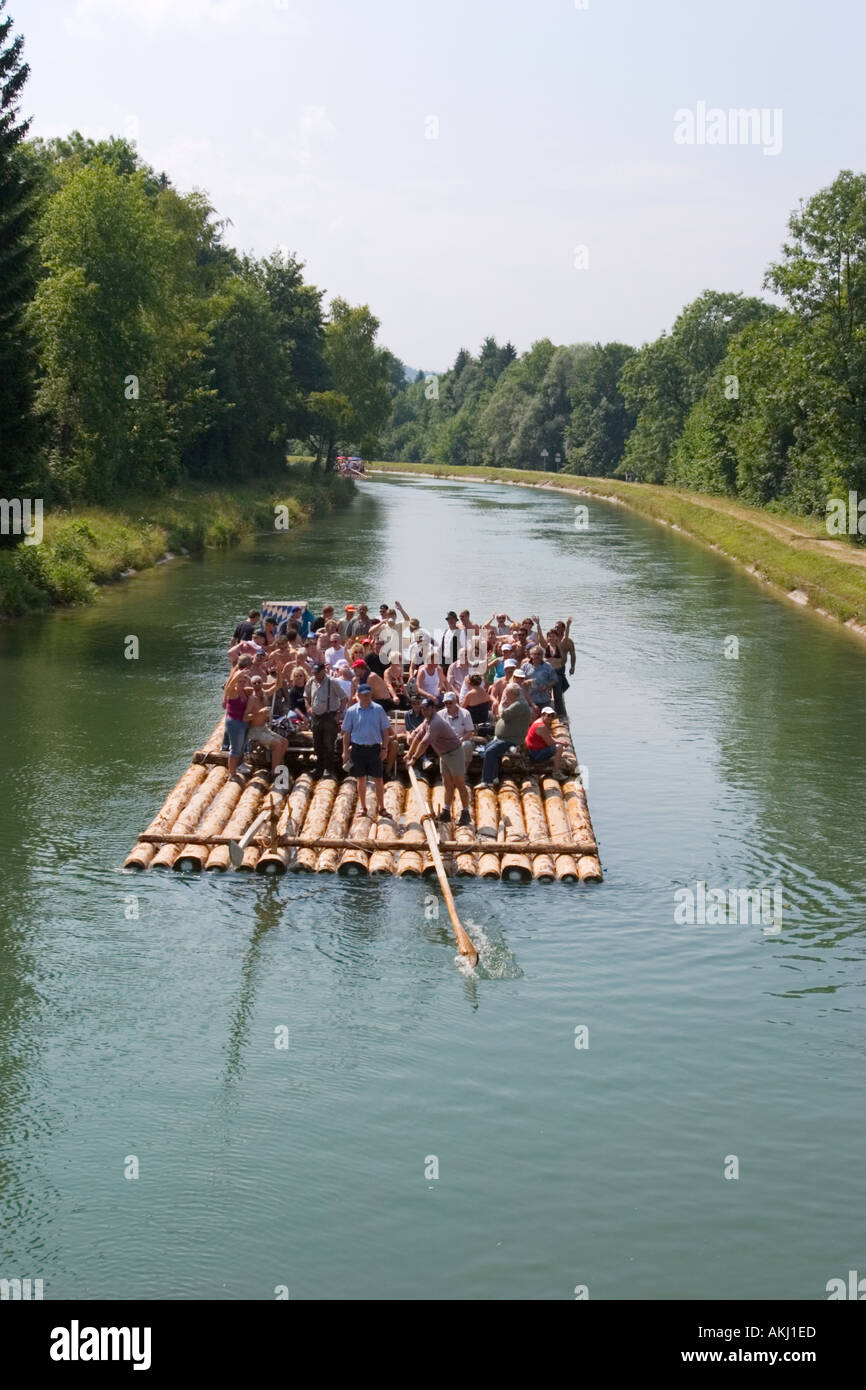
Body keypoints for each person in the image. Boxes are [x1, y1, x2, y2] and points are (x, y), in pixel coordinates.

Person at [406, 699, 472, 826]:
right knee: (447, 784)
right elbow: (418, 737)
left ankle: (465, 813)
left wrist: (414, 758)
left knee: (459, 784)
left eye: (426, 708)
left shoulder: (436, 722)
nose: (424, 711)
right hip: (444, 755)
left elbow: (425, 743)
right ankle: (446, 811)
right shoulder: (427, 721)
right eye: (423, 709)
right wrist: (409, 754)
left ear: (433, 708)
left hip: (454, 753)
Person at [341, 684, 392, 818]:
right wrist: (345, 751)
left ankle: (382, 808)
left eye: (368, 694)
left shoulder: (378, 709)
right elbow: (346, 733)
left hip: (374, 748)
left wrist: (384, 748)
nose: (366, 697)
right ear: (358, 695)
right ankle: (363, 808)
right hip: (358, 749)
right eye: (363, 695)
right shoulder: (351, 711)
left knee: (379, 779)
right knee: (361, 779)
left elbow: (385, 731)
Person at [479, 682, 533, 786]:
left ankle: (486, 781)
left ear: (512, 692)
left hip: (512, 739)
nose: (505, 695)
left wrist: (501, 704)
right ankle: (494, 777)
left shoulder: (519, 705)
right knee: (487, 750)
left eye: (506, 693)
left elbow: (503, 714)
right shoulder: (516, 703)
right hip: (505, 737)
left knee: (490, 752)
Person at [304, 661, 347, 777]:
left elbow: (344, 698)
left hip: (329, 716)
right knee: (317, 744)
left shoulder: (332, 682)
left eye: (318, 673)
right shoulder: (311, 681)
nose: (316, 675)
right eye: (314, 673)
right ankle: (319, 768)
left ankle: (329, 769)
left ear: (323, 671)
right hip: (316, 717)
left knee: (328, 744)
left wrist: (339, 713)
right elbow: (306, 696)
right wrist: (308, 707)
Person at [244, 675, 290, 774]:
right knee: (277, 744)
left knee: (285, 742)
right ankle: (274, 772)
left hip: (264, 728)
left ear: (262, 683)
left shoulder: (265, 694)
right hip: (255, 730)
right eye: (254, 683)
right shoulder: (252, 699)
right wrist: (259, 712)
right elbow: (246, 717)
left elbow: (278, 685)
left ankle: (277, 765)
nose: (257, 684)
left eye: (259, 682)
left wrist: (279, 671)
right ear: (252, 685)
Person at [223, 654, 254, 778]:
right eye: (239, 682)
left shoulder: (245, 691)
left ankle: (241, 764)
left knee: (242, 746)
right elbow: (228, 687)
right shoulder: (233, 692)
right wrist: (237, 675)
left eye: (243, 681)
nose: (241, 683)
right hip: (235, 723)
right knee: (235, 749)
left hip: (244, 722)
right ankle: (232, 773)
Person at [525, 706, 567, 776]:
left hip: (533, 751)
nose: (550, 718)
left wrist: (558, 741)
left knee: (558, 745)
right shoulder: (541, 726)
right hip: (535, 754)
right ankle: (556, 772)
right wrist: (562, 742)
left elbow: (549, 739)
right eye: (548, 716)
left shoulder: (538, 722)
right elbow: (550, 743)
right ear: (543, 715)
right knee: (559, 747)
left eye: (552, 716)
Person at [442, 691, 476, 772]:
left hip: (461, 740)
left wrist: (459, 740)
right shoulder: (440, 714)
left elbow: (469, 732)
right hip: (446, 741)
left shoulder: (465, 713)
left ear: (455, 701)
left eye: (450, 702)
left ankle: (464, 771)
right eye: (446, 703)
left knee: (467, 745)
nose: (448, 705)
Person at [522, 646, 558, 714]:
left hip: (544, 699)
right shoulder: (525, 666)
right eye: (535, 654)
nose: (537, 656)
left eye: (539, 654)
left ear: (542, 655)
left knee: (545, 719)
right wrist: (527, 682)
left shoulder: (548, 666)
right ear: (531, 655)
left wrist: (547, 686)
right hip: (529, 699)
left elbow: (555, 680)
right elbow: (519, 681)